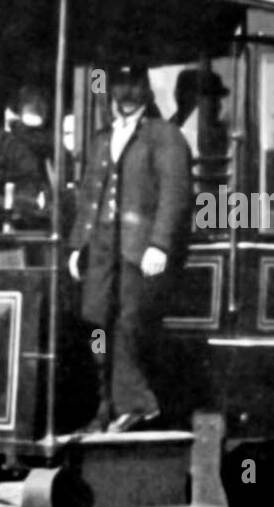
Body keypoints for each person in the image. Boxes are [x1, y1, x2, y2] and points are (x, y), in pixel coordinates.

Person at [68, 64, 192, 433]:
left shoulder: (164, 135)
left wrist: (160, 244)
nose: (125, 92)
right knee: (97, 325)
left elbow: (176, 195)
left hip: (138, 251)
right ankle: (105, 407)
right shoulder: (102, 138)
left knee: (128, 325)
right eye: (119, 84)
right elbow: (90, 197)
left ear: (146, 89)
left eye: (133, 84)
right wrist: (78, 246)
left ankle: (137, 403)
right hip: (102, 250)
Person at [0, 84, 56, 227]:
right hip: (13, 221)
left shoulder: (50, 146)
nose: (39, 109)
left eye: (41, 105)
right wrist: (27, 203)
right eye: (33, 105)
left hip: (41, 219)